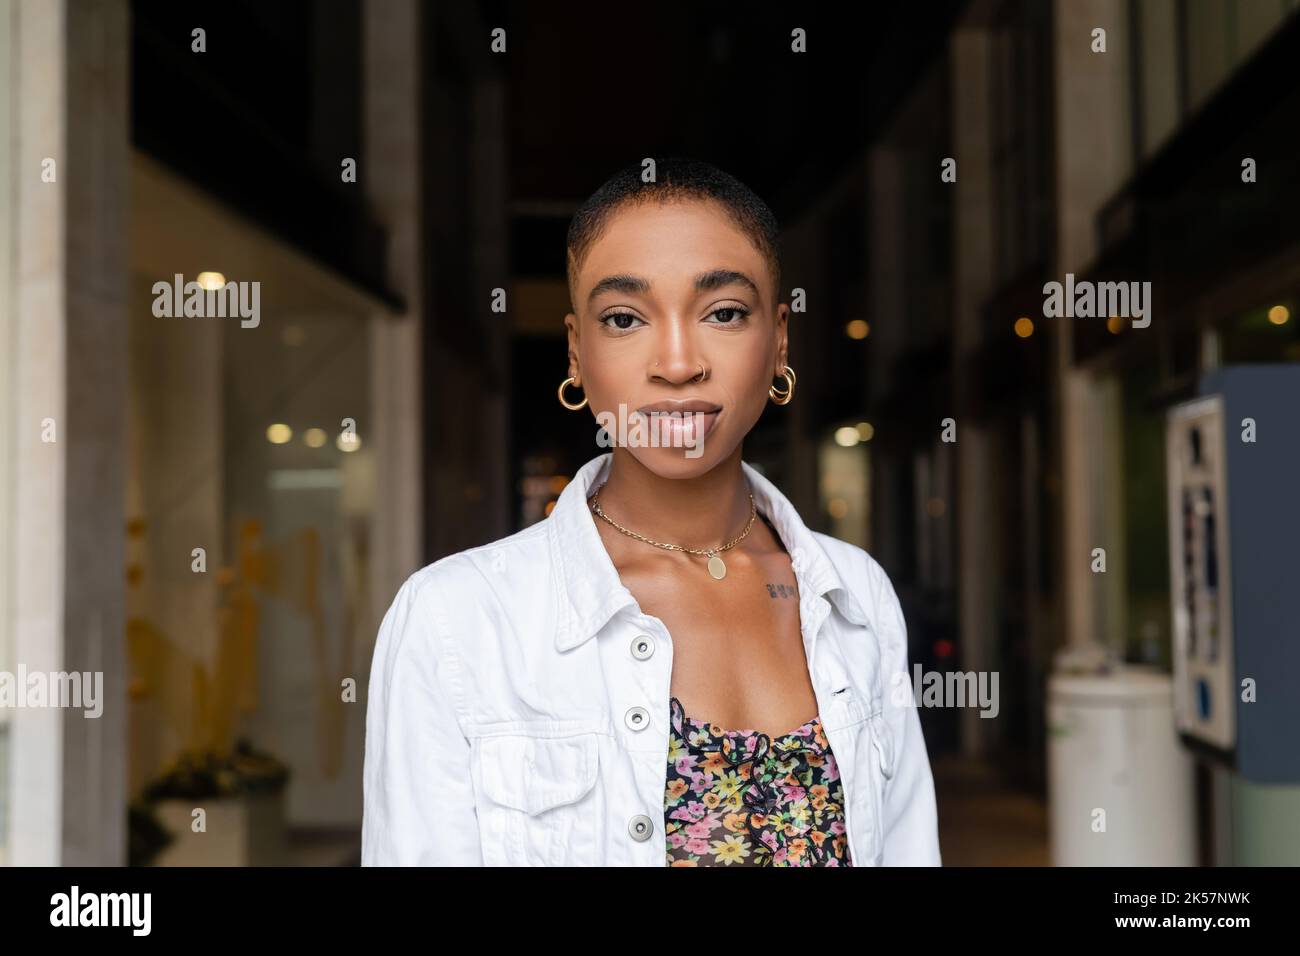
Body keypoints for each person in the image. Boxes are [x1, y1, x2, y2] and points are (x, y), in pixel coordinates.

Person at [362, 157, 941, 866]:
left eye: (723, 312)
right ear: (577, 351)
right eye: (625, 318)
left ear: (780, 339)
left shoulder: (854, 594)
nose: (676, 362)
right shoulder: (454, 619)